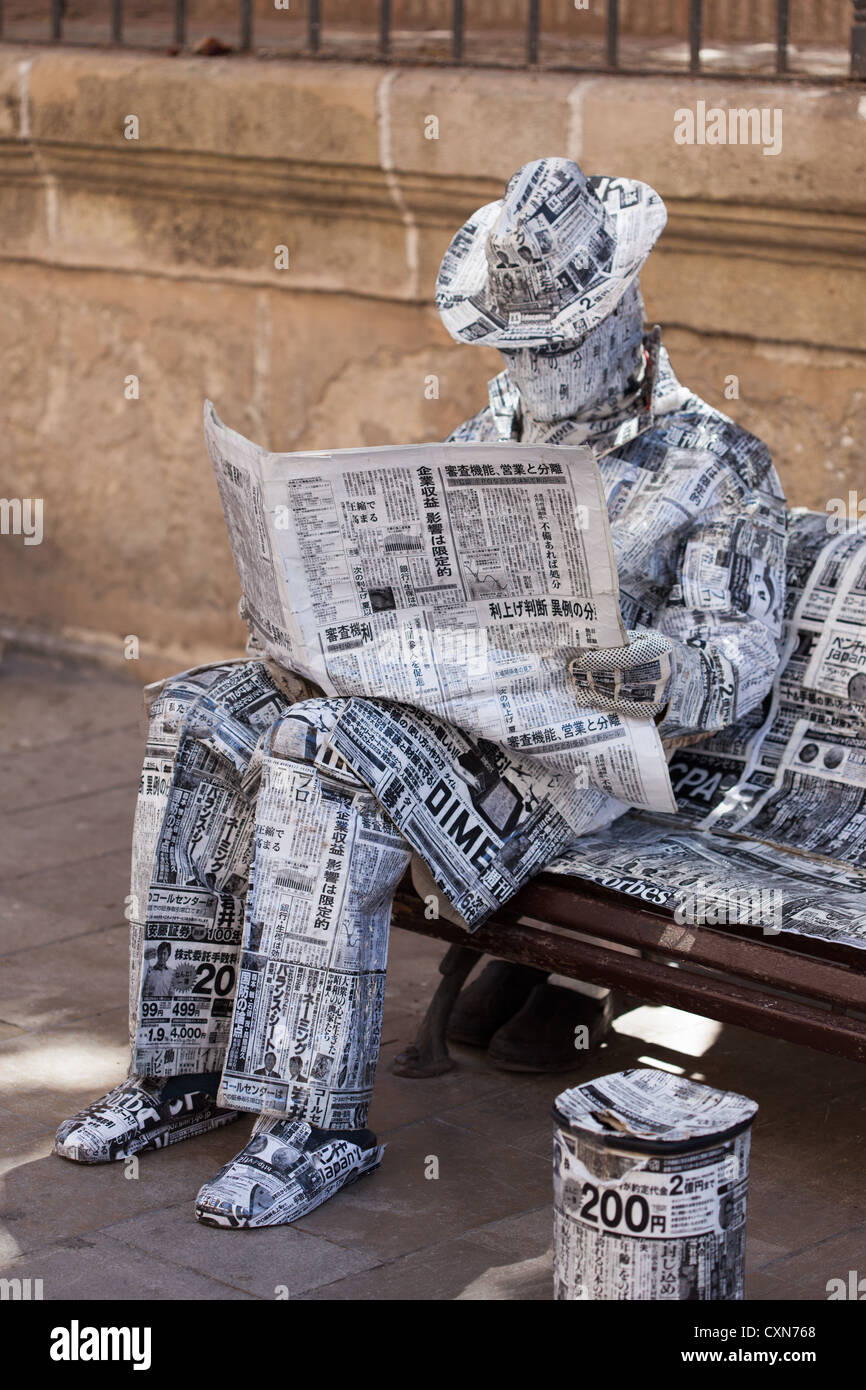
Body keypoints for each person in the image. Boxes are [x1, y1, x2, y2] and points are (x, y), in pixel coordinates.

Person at [54, 158, 786, 1228]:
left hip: (569, 756)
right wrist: (312, 637)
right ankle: (177, 1071)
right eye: (517, 343)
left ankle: (313, 1122)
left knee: (322, 752)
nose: (533, 364)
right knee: (202, 714)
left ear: (625, 307)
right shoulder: (489, 436)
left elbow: (738, 654)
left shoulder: (716, 462)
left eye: (558, 339)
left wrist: (662, 670)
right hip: (434, 716)